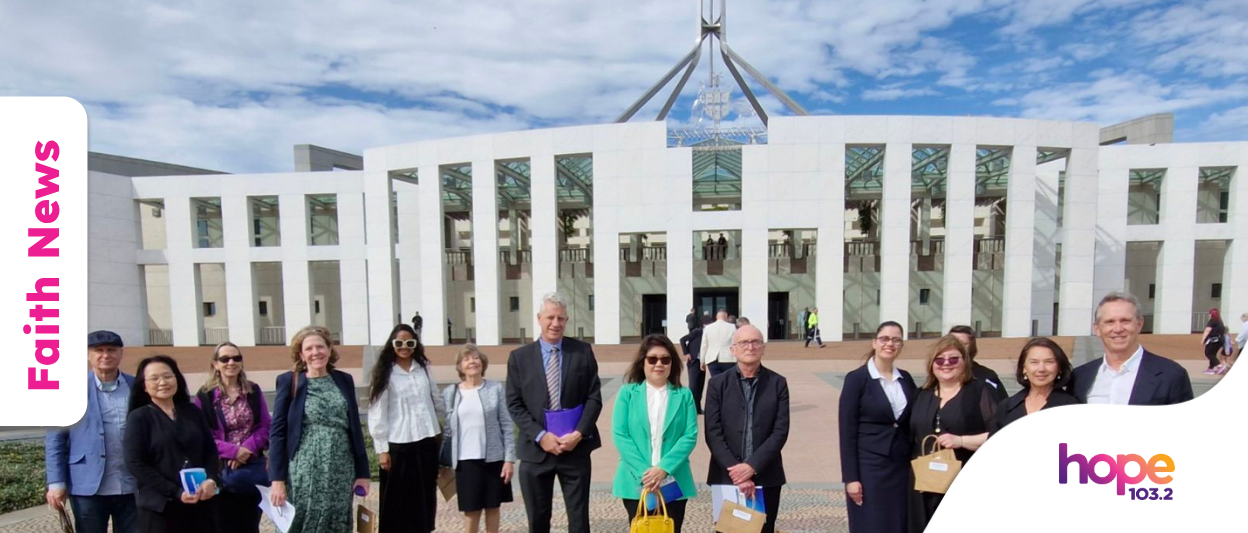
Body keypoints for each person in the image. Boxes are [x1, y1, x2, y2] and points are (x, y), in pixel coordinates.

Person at [506, 292, 603, 533]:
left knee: (579, 519)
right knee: (538, 520)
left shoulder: (581, 351)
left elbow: (594, 397)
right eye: (550, 317)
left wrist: (579, 433)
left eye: (561, 318)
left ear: (567, 320)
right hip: (536, 450)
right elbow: (514, 403)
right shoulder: (519, 358)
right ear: (539, 319)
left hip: (575, 448)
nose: (555, 323)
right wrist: (541, 436)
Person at [269, 326, 371, 533]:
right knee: (302, 520)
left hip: (341, 466)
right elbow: (278, 432)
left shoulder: (343, 380)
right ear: (301, 354)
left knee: (336, 520)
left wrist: (363, 472)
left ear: (329, 349)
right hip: (304, 468)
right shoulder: (289, 381)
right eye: (309, 348)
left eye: (320, 346)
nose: (316, 352)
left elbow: (354, 429)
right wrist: (277, 479)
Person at [45, 331, 139, 533]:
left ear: (121, 353)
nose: (105, 355)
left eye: (111, 350)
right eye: (99, 350)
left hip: (132, 483)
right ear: (88, 355)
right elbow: (55, 441)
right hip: (87, 485)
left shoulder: (137, 386)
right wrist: (56, 483)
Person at [705, 325, 789, 533]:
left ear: (763, 348)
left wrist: (752, 466)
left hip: (767, 475)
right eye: (743, 342)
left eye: (755, 342)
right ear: (733, 349)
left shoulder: (778, 383)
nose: (750, 347)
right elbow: (712, 432)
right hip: (727, 476)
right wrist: (737, 471)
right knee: (728, 530)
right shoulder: (717, 384)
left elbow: (780, 431)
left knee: (764, 529)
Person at [908, 335, 996, 532]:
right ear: (932, 364)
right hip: (923, 482)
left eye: (953, 359)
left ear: (964, 361)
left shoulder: (979, 391)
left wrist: (962, 440)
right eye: (939, 359)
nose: (946, 364)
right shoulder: (922, 394)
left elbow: (998, 434)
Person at [612, 335, 699, 533]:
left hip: (673, 480)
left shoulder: (684, 395)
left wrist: (663, 469)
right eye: (652, 359)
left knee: (669, 529)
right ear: (642, 362)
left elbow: (689, 435)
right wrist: (646, 474)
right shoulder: (627, 393)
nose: (658, 364)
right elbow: (620, 435)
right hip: (636, 481)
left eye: (665, 359)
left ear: (672, 364)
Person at [124, 355, 219, 533]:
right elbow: (135, 463)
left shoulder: (193, 412)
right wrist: (175, 491)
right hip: (160, 507)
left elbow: (210, 452)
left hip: (200, 504)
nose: (162, 382)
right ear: (143, 385)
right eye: (154, 378)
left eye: (168, 376)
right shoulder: (139, 417)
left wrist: (212, 480)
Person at [838, 322, 917, 533]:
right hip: (870, 468)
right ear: (874, 342)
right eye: (884, 338)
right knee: (872, 523)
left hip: (900, 466)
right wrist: (851, 478)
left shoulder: (906, 379)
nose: (889, 343)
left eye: (896, 339)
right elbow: (846, 432)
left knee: (898, 522)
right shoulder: (857, 379)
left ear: (901, 345)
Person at [368, 324, 446, 533]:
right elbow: (377, 411)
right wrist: (381, 449)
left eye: (410, 343)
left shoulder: (424, 368)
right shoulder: (385, 372)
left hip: (427, 441)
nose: (404, 347)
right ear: (392, 344)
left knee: (424, 496)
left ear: (415, 345)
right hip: (398, 444)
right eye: (399, 343)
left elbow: (436, 399)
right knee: (397, 499)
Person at [193, 343, 271, 533]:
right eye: (225, 359)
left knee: (249, 525)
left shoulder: (252, 391)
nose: (231, 362)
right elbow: (200, 433)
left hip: (251, 469)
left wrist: (247, 450)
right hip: (220, 471)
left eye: (236, 358)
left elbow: (265, 425)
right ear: (215, 364)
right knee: (223, 524)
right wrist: (233, 452)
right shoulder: (205, 396)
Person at [1072, 292, 1194, 405]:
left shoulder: (1171, 374)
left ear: (1139, 324)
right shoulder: (1080, 376)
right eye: (1110, 322)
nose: (1118, 329)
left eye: (1125, 321)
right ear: (1097, 329)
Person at [443, 345, 516, 533]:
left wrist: (509, 459)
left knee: (493, 506)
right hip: (465, 460)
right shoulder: (451, 393)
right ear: (460, 367)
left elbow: (507, 425)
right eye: (466, 359)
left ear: (482, 363)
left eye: (475, 358)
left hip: (493, 458)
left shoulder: (495, 389)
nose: (472, 362)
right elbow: (446, 428)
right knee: (471, 510)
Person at [993, 338, 1079, 433]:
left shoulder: (1070, 407)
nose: (1041, 369)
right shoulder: (1007, 406)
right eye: (1034, 362)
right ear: (1024, 368)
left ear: (1059, 368)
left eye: (1049, 362)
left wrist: (1060, 448)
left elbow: (1067, 445)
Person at [947, 325, 1007, 403]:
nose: (957, 347)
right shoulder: (940, 374)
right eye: (953, 343)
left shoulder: (986, 376)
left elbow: (1003, 406)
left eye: (963, 344)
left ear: (972, 347)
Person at [679, 316, 710, 415]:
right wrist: (687, 353)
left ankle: (697, 407)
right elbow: (682, 340)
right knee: (693, 385)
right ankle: (690, 408)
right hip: (694, 361)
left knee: (700, 385)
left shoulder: (709, 334)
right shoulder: (697, 332)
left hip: (702, 362)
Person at [700, 310, 737, 379]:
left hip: (712, 358)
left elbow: (704, 345)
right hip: (728, 358)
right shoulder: (732, 327)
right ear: (726, 317)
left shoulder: (708, 328)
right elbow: (735, 343)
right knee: (729, 381)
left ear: (716, 317)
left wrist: (702, 361)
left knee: (716, 381)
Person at [1200, 308, 1228, 375]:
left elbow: (1207, 330)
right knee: (1213, 354)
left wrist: (1203, 339)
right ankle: (1210, 368)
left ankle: (1220, 366)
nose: (1209, 315)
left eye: (1209, 313)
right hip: (1220, 339)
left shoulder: (1212, 321)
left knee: (1208, 353)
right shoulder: (1220, 322)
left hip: (1214, 339)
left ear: (1212, 314)